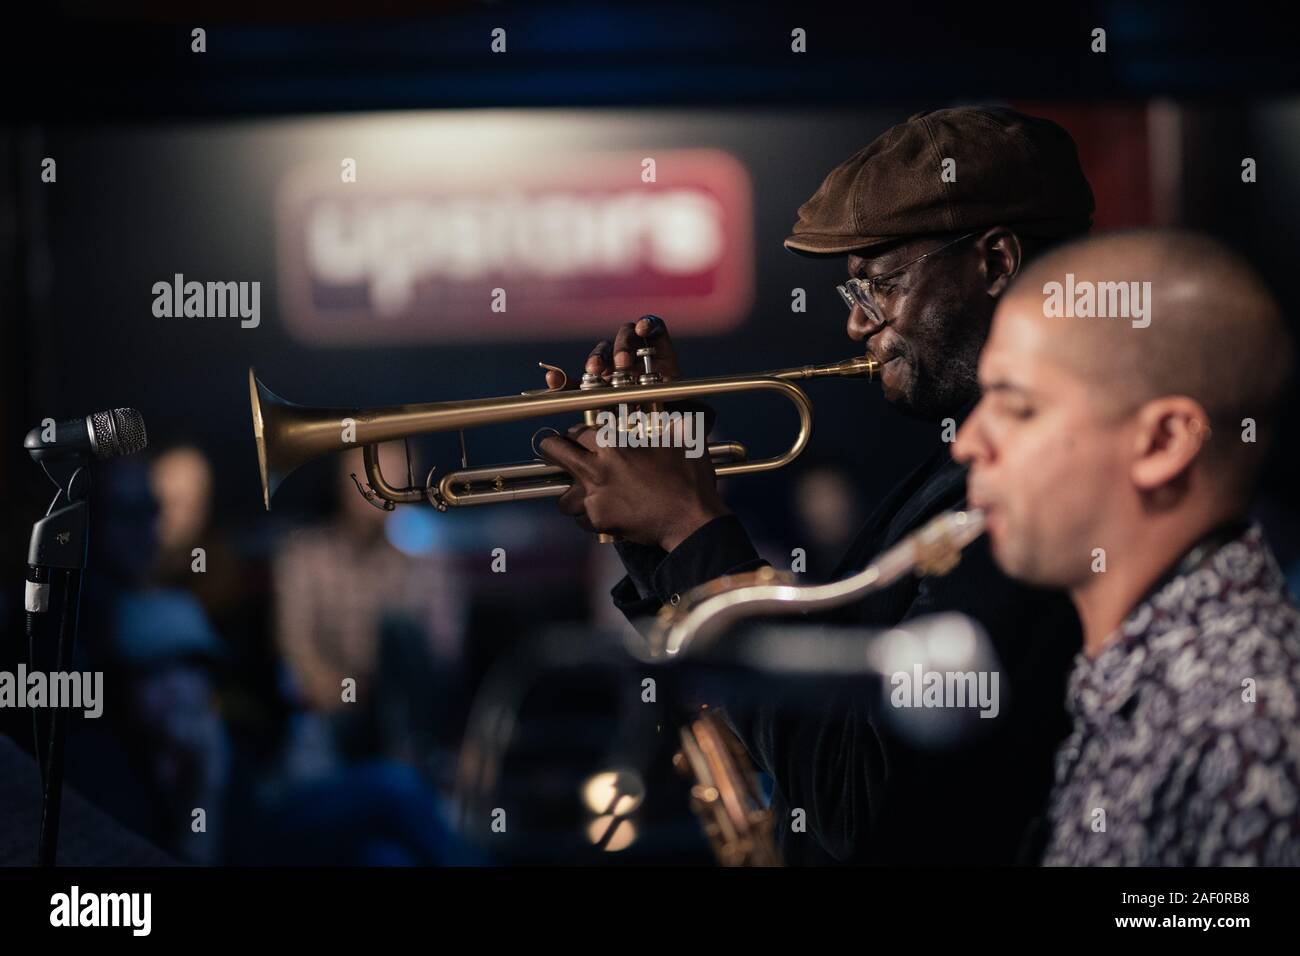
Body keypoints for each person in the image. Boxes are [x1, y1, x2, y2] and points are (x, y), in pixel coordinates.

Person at [538, 106, 1093, 863]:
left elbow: (863, 808)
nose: (857, 328)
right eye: (850, 296)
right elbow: (820, 693)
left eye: (879, 286)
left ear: (995, 262)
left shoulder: (1035, 499)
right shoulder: (953, 466)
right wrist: (653, 531)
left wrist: (689, 527)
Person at [953, 228, 1300, 866]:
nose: (967, 443)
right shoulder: (1152, 673)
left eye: (1018, 407)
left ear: (1164, 442)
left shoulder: (1250, 723)